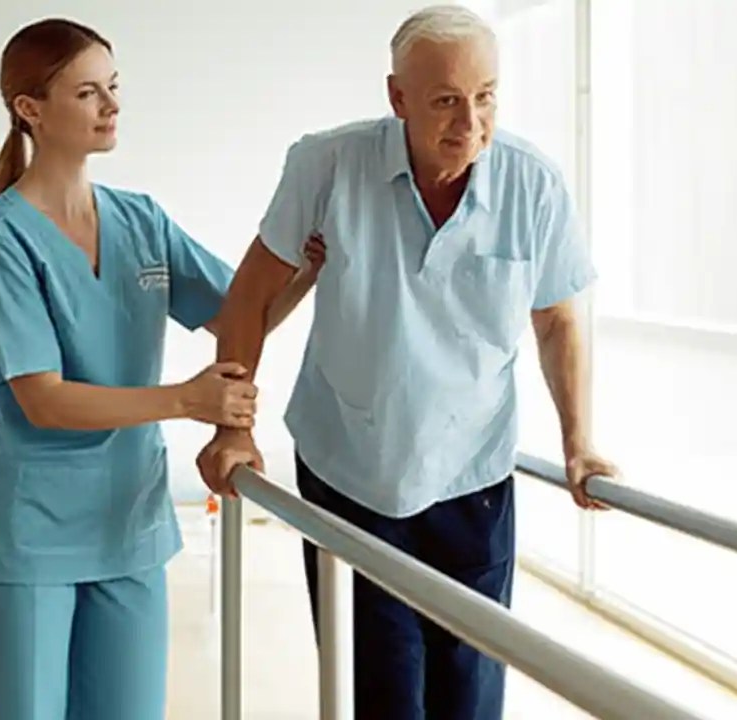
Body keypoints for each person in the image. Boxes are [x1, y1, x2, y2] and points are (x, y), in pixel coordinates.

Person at [197, 5, 619, 718]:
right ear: (397, 98)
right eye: (446, 100)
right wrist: (232, 427)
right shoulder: (328, 165)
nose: (470, 123)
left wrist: (579, 443)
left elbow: (557, 322)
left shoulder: (533, 185)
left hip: (472, 477)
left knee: (470, 695)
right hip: (350, 470)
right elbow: (249, 298)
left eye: (486, 97)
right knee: (383, 693)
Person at [0, 18, 323, 720]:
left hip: (129, 525)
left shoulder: (142, 221)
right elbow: (44, 400)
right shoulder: (0, 238)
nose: (112, 105)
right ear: (30, 109)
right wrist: (186, 401)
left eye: (114, 87)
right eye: (87, 92)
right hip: (33, 534)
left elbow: (239, 314)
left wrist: (309, 268)